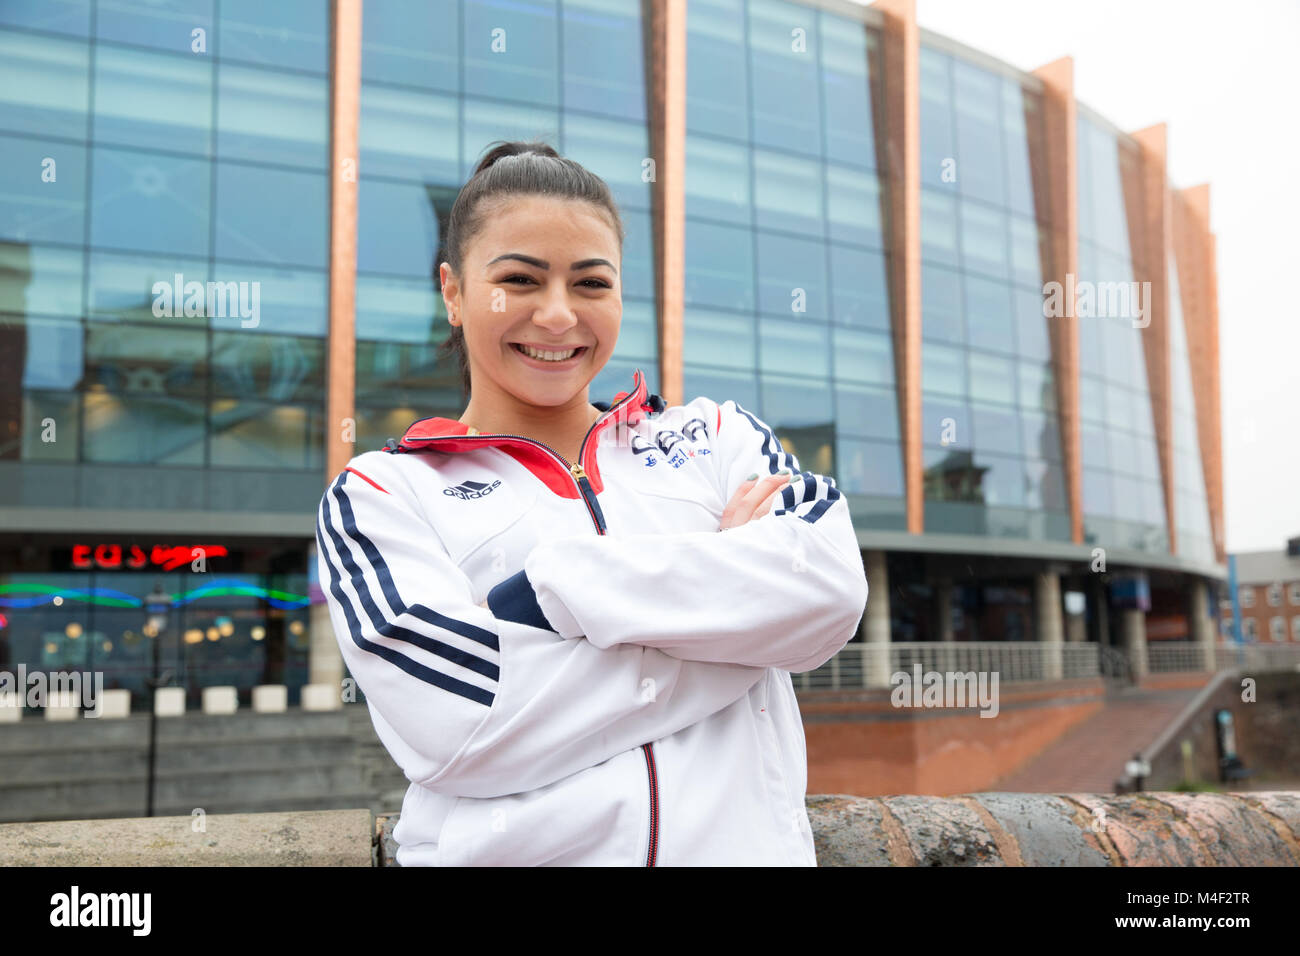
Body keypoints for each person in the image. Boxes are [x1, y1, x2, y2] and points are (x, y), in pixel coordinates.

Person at [315, 140, 869, 866]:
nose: (556, 316)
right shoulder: (382, 494)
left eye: (590, 283)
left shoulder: (716, 435)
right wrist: (741, 624)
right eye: (519, 278)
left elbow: (827, 591)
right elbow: (464, 724)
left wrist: (560, 590)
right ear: (452, 292)